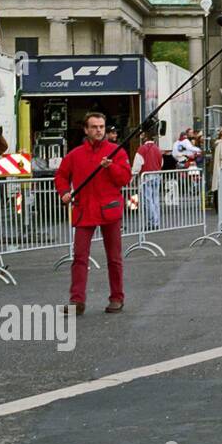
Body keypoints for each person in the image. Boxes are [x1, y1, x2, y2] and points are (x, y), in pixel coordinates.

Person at [54, 111, 132, 315]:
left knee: (114, 258)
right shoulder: (75, 154)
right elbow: (61, 175)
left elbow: (125, 179)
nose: (99, 130)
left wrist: (111, 167)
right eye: (94, 127)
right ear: (86, 129)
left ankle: (117, 297)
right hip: (84, 211)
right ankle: (77, 301)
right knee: (79, 257)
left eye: (101, 127)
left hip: (109, 210)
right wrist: (64, 193)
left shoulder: (117, 152)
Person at [132, 129, 164, 232]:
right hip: (157, 175)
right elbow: (161, 163)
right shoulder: (157, 149)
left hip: (146, 177)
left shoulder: (142, 149)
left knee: (147, 200)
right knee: (155, 199)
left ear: (145, 137)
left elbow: (137, 165)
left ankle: (152, 221)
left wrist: (133, 176)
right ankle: (156, 221)